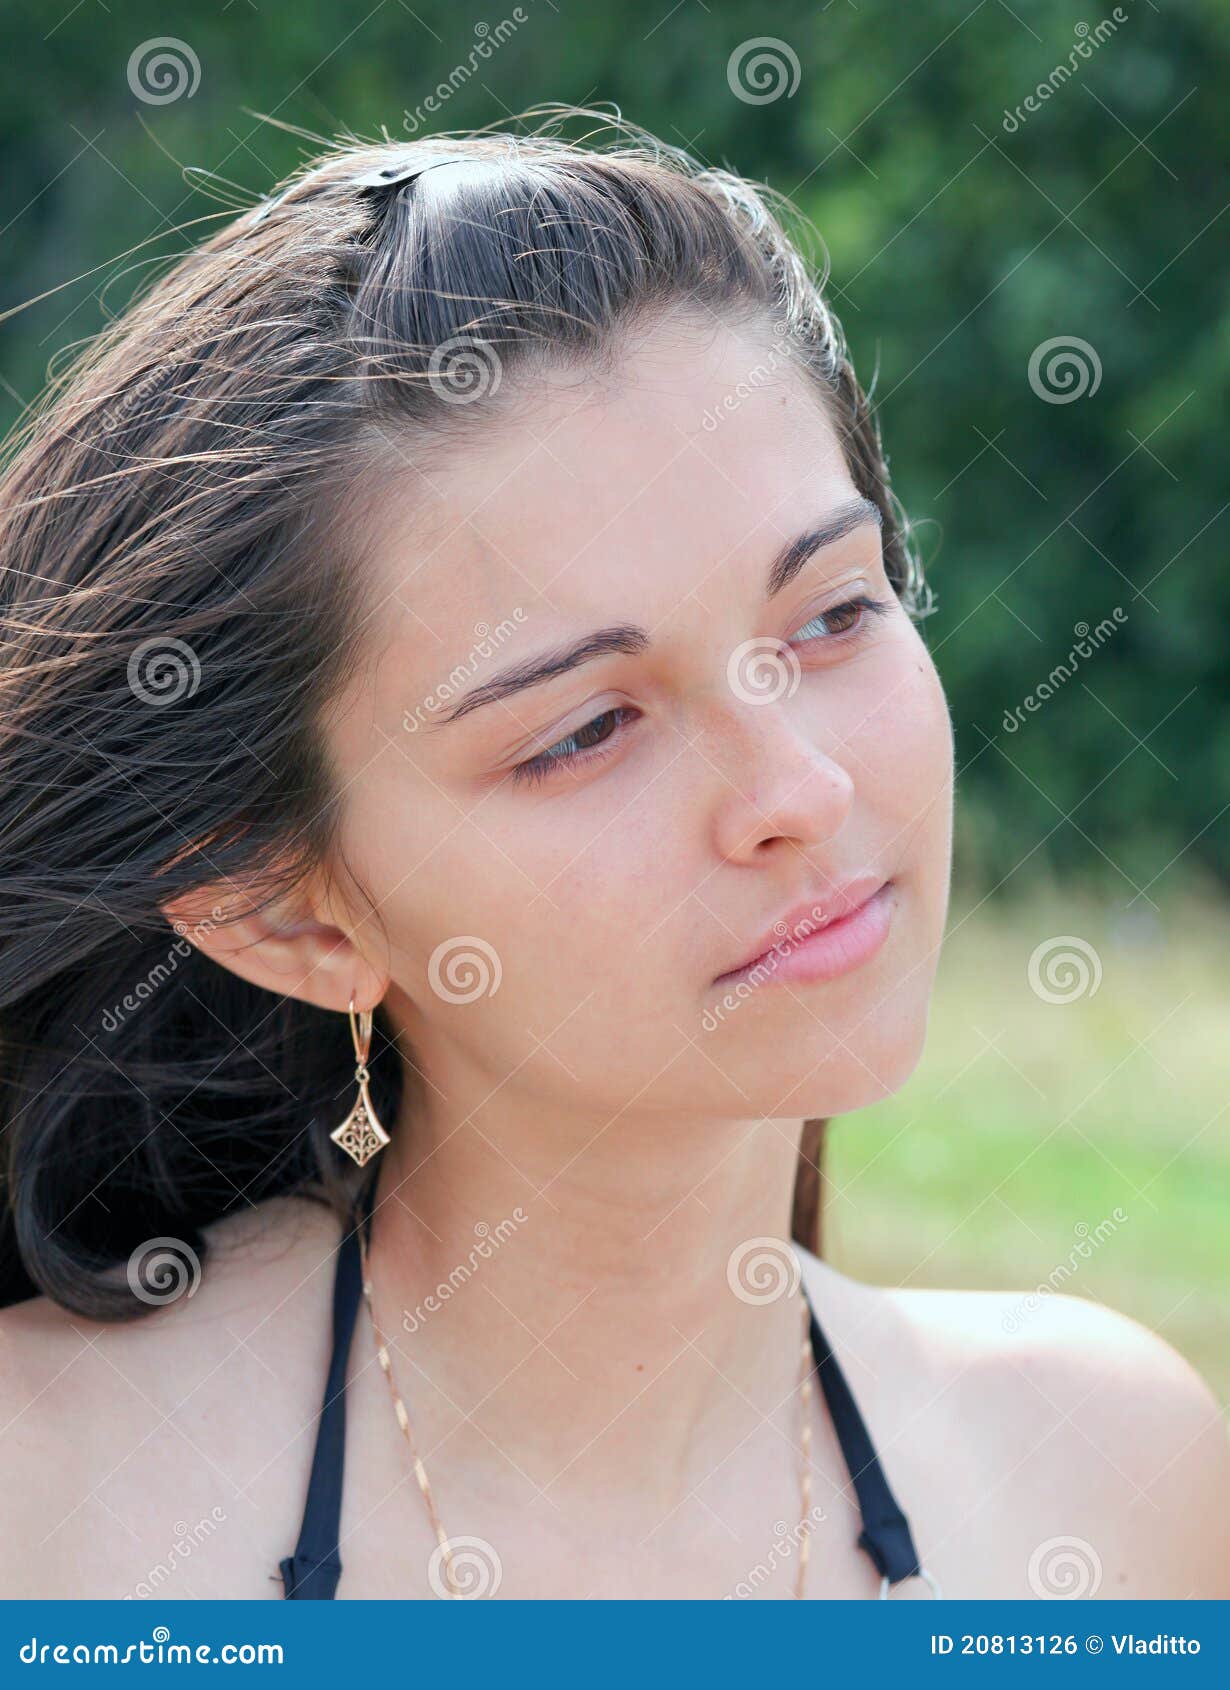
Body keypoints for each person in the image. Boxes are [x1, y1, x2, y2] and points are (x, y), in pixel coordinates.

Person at [0, 108, 1225, 1601]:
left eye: (833, 613)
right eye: (585, 727)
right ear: (284, 906)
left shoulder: (1100, 1479)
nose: (800, 785)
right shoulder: (53, 1510)